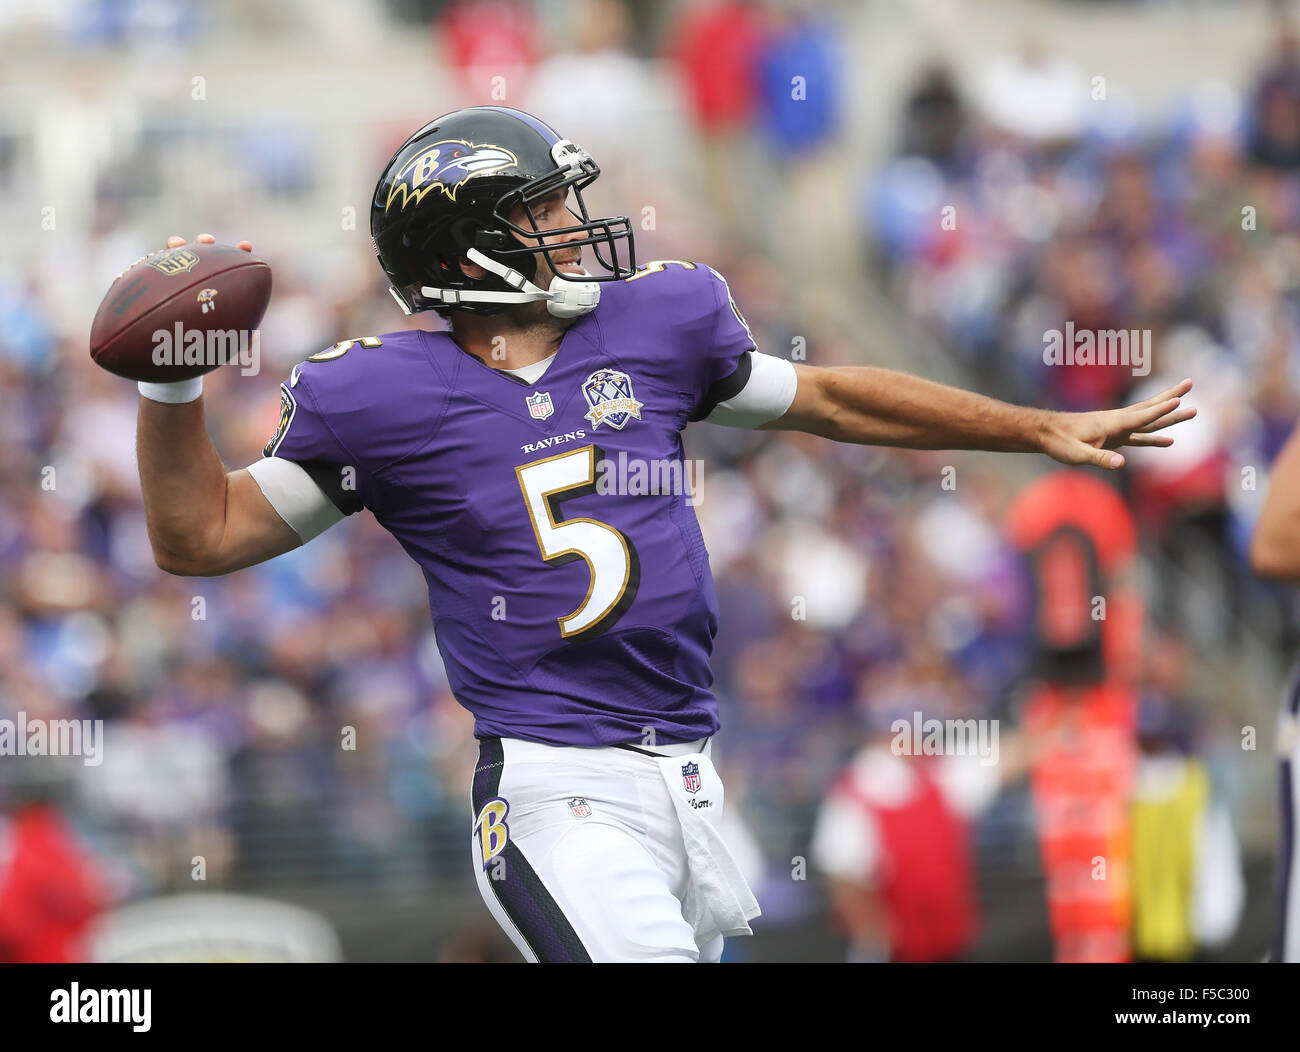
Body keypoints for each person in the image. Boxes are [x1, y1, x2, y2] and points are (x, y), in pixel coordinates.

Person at [126, 106, 1194, 963]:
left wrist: (1033, 425)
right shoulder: (377, 394)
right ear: (473, 250)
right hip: (558, 789)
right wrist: (171, 386)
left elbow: (831, 398)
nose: (572, 225)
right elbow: (203, 534)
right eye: (540, 212)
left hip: (691, 776)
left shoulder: (659, 321)